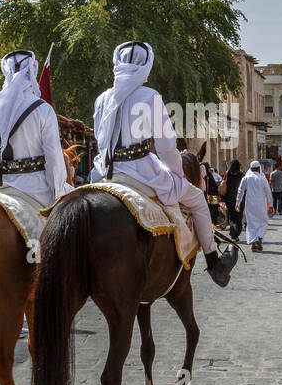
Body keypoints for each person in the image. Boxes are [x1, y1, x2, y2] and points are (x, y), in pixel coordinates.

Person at [90, 41, 236, 286]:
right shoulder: (150, 96)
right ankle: (214, 264)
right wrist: (177, 175)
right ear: (146, 65)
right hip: (141, 171)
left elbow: (99, 139)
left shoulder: (102, 98)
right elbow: (167, 146)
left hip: (105, 172)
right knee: (198, 200)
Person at [0, 49, 71, 207]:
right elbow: (54, 160)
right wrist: (58, 195)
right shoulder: (43, 109)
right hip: (34, 190)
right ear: (32, 71)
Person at [236, 160, 273, 251]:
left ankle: (253, 244)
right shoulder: (262, 178)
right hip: (261, 204)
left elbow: (240, 191)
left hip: (250, 205)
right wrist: (271, 205)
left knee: (251, 224)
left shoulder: (246, 178)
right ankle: (259, 238)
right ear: (258, 168)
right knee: (263, 222)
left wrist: (238, 203)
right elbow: (268, 192)